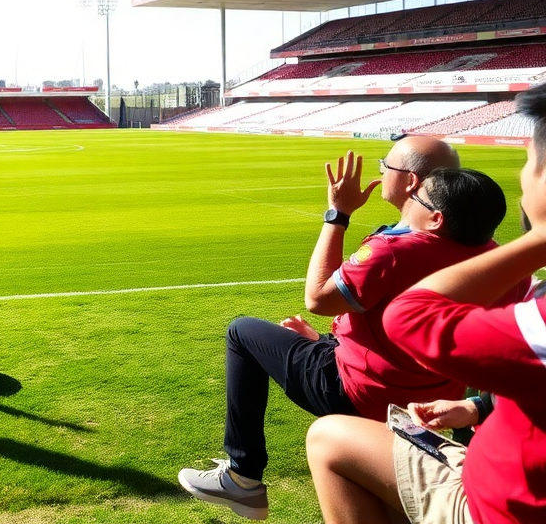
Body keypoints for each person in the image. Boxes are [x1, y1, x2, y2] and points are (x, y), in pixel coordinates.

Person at [178, 154, 511, 521]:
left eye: (417, 198)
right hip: (431, 397)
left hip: (361, 392)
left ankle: (242, 477)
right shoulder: (496, 259)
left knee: (242, 332)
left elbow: (317, 298)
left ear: (436, 219)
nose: (410, 199)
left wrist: (337, 214)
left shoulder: (393, 252)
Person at [305, 88, 546, 524]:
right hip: (489, 468)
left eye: (532, 162)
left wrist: (539, 239)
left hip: (495, 508)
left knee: (328, 437)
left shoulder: (537, 324)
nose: (524, 177)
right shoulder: (528, 299)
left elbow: (410, 315)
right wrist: (478, 408)